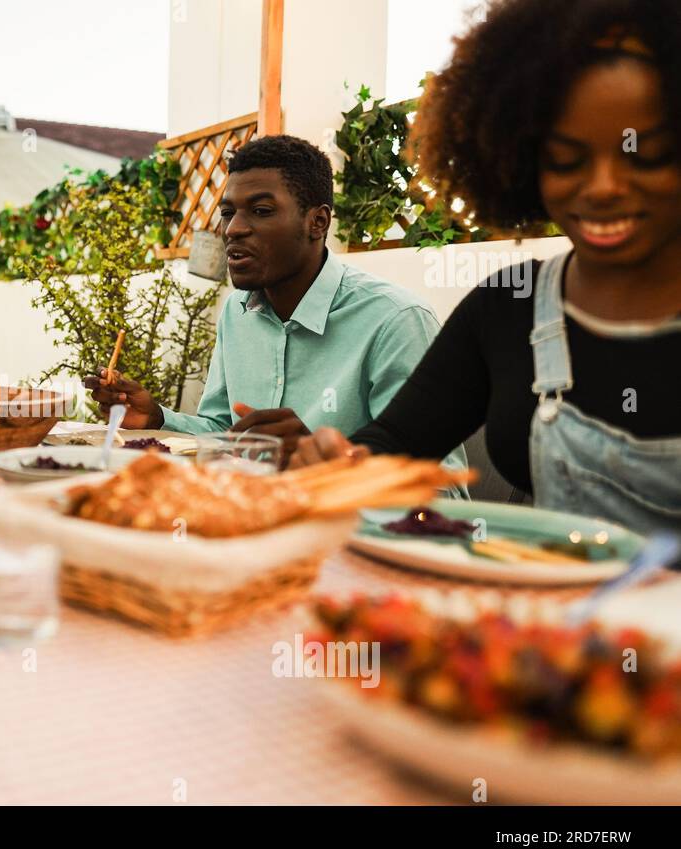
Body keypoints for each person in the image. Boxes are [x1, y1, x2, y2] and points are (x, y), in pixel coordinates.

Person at [290, 0, 681, 537]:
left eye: (647, 154)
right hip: (546, 617)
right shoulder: (510, 307)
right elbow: (392, 448)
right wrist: (338, 464)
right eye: (566, 160)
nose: (604, 187)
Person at [85, 136, 466, 473]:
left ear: (317, 222)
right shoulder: (237, 313)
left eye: (261, 211)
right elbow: (226, 433)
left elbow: (442, 490)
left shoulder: (395, 322)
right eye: (228, 212)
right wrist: (156, 418)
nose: (233, 229)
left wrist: (321, 463)